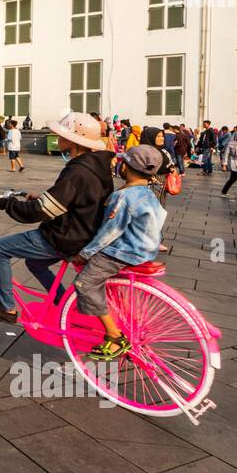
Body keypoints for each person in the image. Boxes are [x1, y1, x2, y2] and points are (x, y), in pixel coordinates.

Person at [0, 112, 116, 324]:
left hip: (65, 236)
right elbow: (79, 199)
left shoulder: (78, 171)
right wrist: (45, 196)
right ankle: (62, 301)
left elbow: (40, 211)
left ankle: (6, 306)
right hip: (84, 232)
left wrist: (3, 203)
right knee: (34, 263)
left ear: (72, 139)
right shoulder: (97, 165)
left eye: (60, 134)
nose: (57, 137)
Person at [74, 145, 168, 361]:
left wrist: (85, 253)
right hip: (146, 250)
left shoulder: (124, 197)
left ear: (127, 167)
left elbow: (110, 232)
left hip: (124, 251)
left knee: (84, 284)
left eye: (122, 162)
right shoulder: (149, 193)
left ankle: (114, 336)